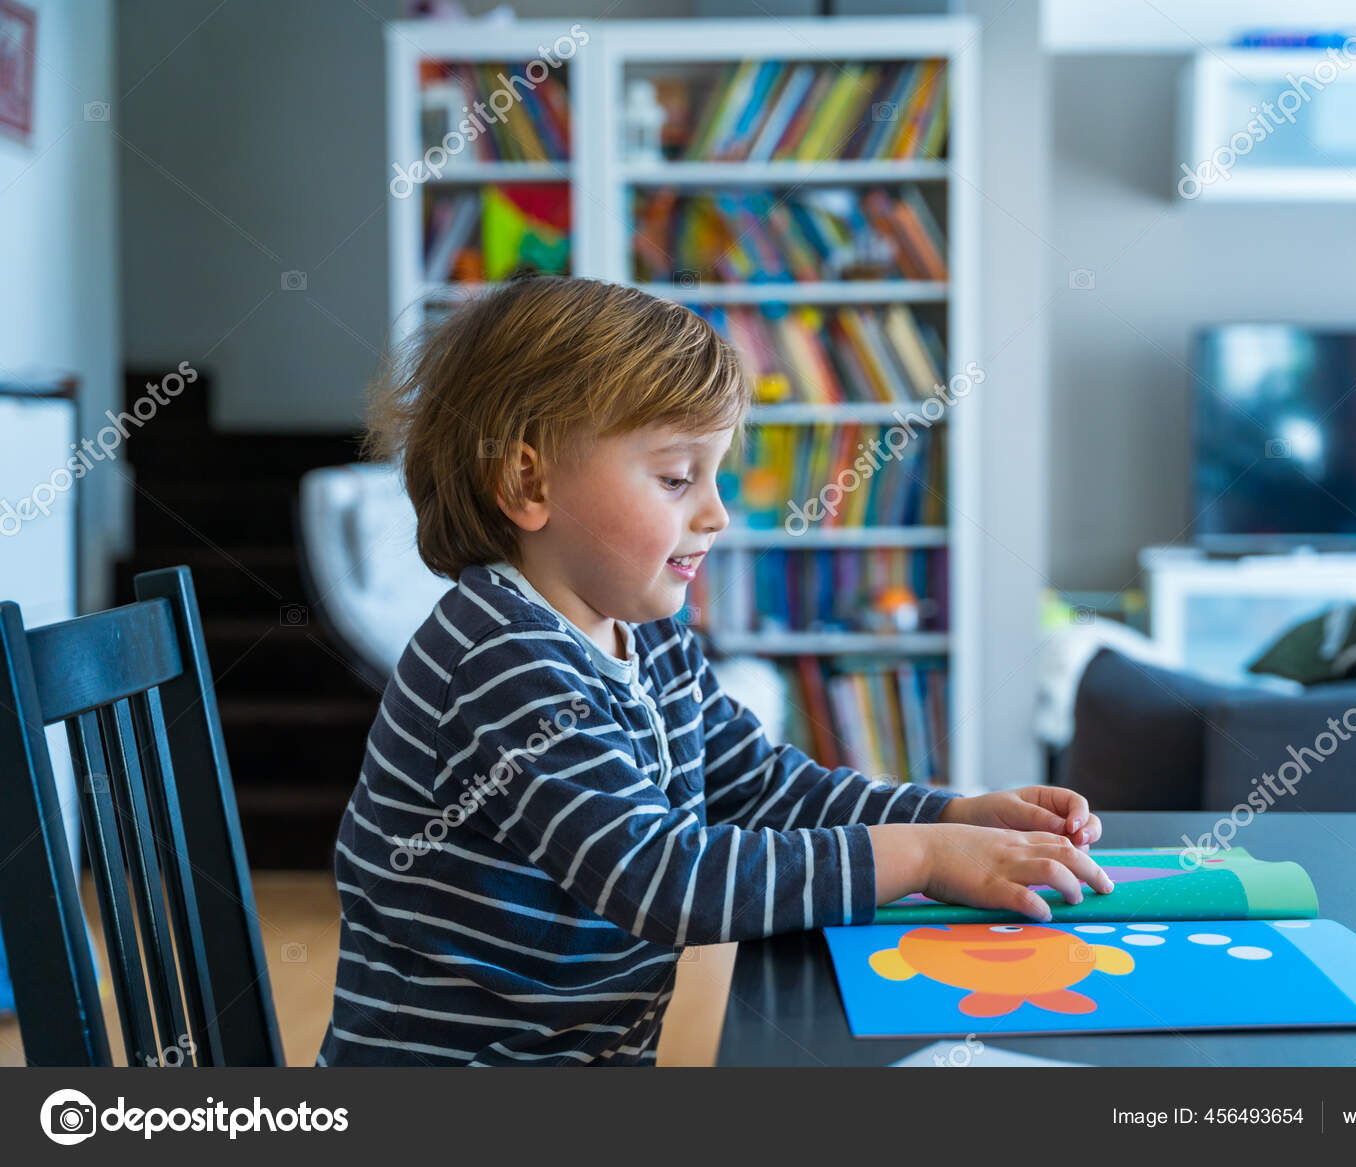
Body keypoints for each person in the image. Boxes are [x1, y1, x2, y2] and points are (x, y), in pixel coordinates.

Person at [318, 276, 1111, 1066]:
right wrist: (923, 858)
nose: (717, 512)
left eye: (717, 473)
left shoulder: (644, 633)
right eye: (675, 477)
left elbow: (763, 786)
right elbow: (661, 878)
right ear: (528, 482)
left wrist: (951, 815)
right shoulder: (500, 657)